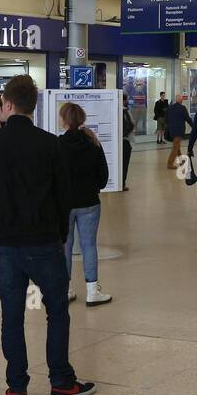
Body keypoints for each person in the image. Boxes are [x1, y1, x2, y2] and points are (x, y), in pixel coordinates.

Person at [0, 74, 95, 395]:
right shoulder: (51, 145)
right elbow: (62, 198)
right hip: (44, 243)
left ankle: (16, 387)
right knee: (57, 311)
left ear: (6, 104)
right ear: (33, 107)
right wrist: (61, 237)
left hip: (5, 245)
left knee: (12, 315)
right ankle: (61, 382)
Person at [58, 102, 111, 307]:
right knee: (89, 245)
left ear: (64, 121)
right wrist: (93, 187)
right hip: (89, 202)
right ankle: (92, 291)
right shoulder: (93, 143)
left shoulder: (57, 145)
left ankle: (66, 290)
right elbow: (103, 176)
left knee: (65, 245)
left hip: (64, 204)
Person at [164, 94, 190, 169]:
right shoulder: (182, 108)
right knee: (175, 147)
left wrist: (169, 126)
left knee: (177, 146)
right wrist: (194, 127)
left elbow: (166, 119)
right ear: (181, 101)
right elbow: (188, 119)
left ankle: (182, 161)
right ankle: (170, 163)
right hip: (179, 130)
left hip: (172, 130)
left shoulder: (170, 108)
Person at [121, 92, 134, 191]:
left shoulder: (113, 110)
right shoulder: (125, 111)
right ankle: (122, 184)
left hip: (117, 142)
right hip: (124, 141)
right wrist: (124, 134)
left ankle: (117, 183)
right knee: (124, 164)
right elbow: (131, 124)